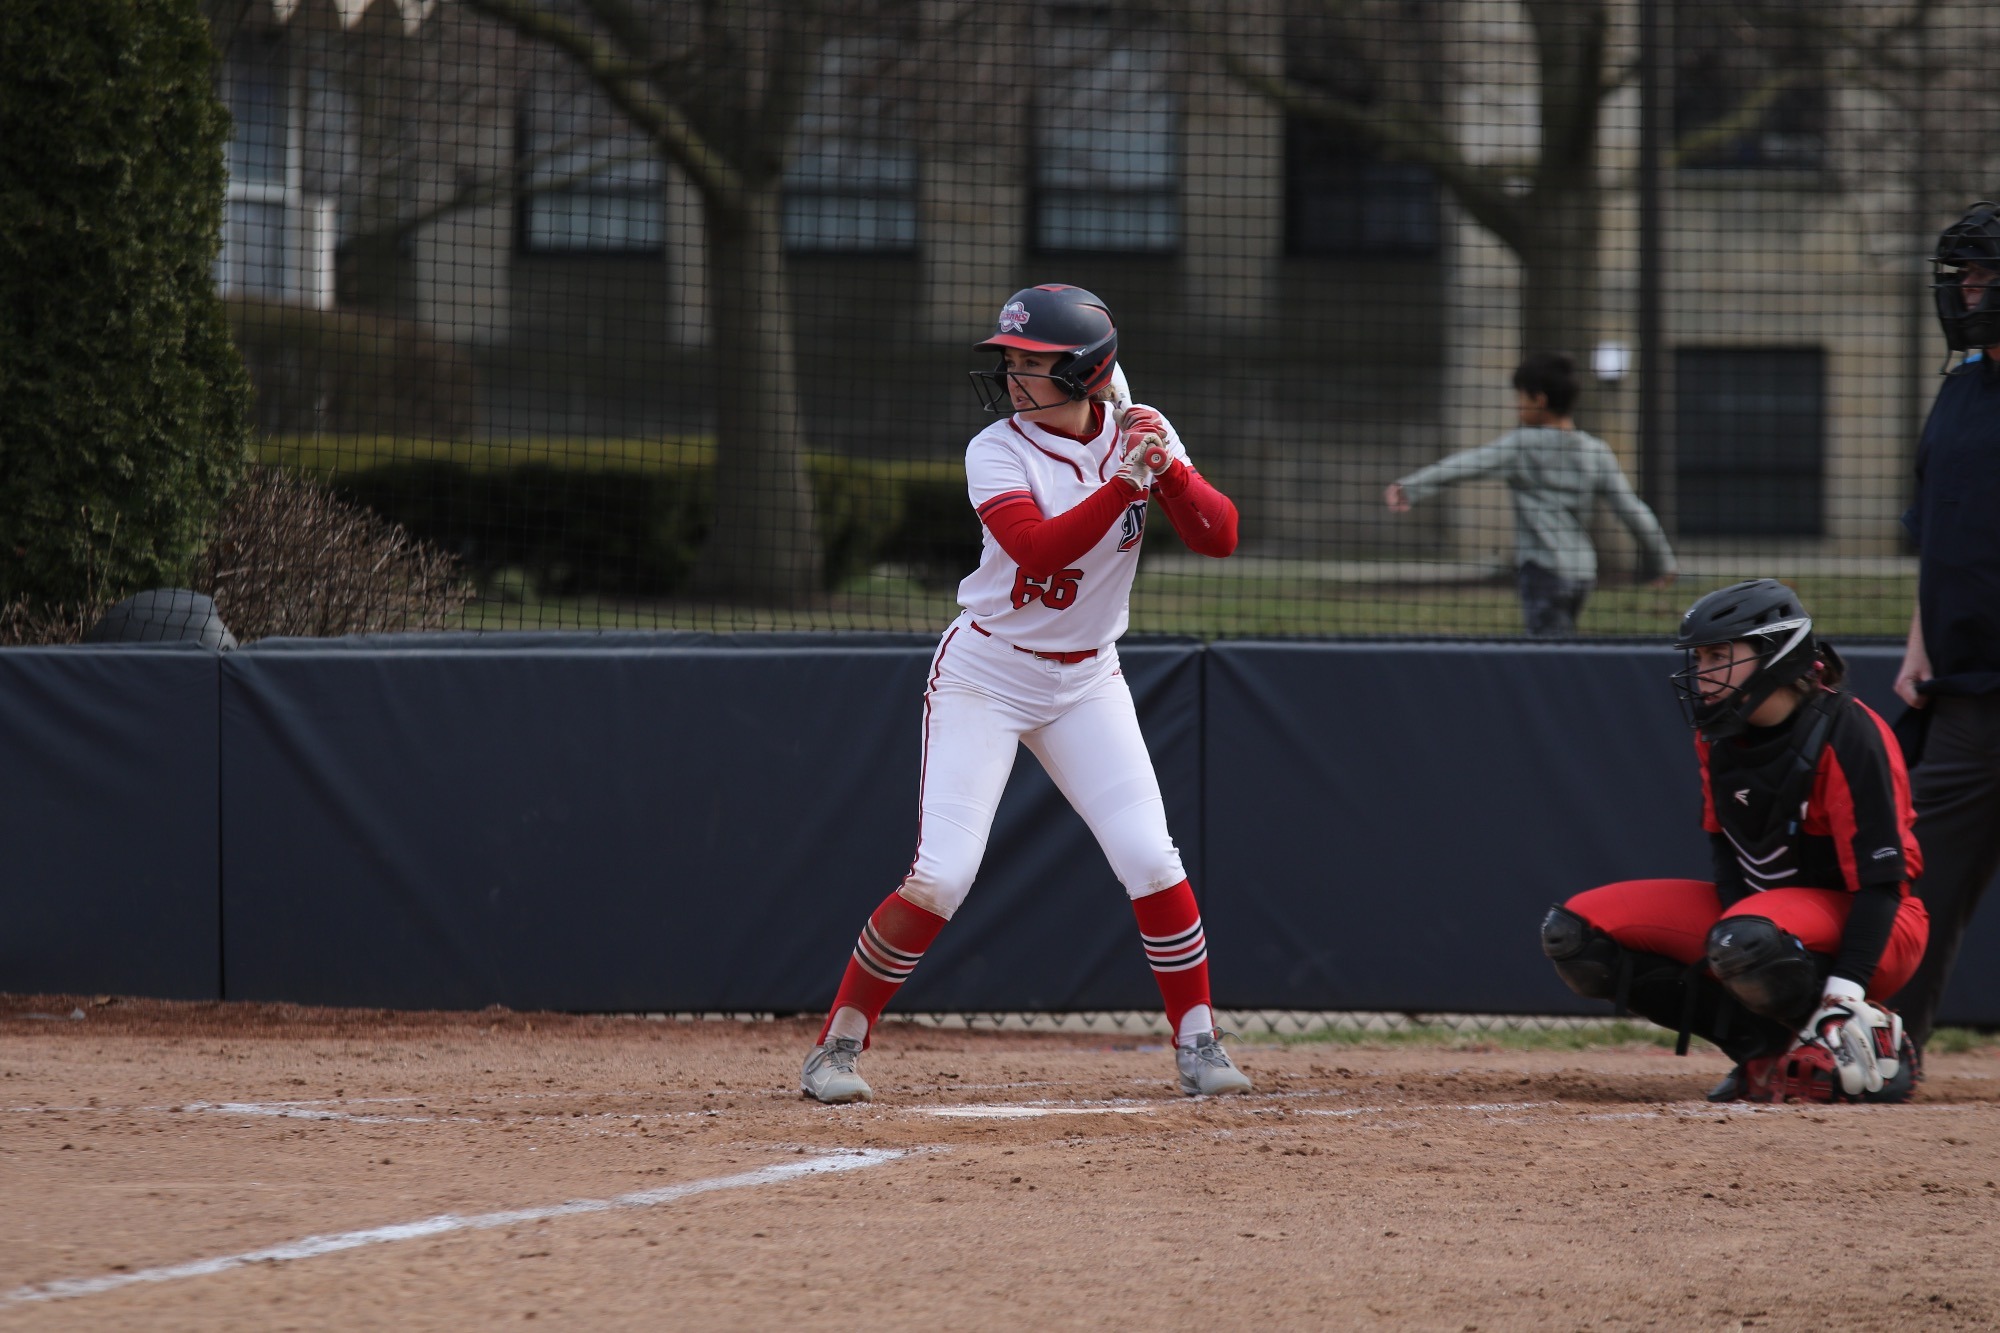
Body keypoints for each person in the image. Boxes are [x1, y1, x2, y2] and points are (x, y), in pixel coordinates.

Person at [799, 284, 1251, 1104]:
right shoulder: (996, 450)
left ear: (1084, 371)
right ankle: (838, 1044)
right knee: (942, 876)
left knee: (1151, 857)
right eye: (1010, 360)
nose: (1013, 376)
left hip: (1088, 678)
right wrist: (1126, 484)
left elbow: (1219, 537)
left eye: (1032, 363)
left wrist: (1170, 470)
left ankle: (1198, 1041)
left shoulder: (1142, 429)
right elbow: (1039, 550)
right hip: (989, 672)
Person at [1540, 580, 1930, 1103]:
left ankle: (1861, 1037)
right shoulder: (1719, 733)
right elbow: (1727, 854)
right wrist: (1731, 957)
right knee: (1575, 935)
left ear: (1776, 653)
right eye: (1699, 657)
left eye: (1719, 656)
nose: (1702, 672)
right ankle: (1764, 1053)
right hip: (1762, 919)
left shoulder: (1849, 732)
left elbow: (1882, 882)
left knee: (1744, 936)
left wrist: (1844, 990)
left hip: (1881, 926)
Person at [1889, 201, 2000, 1054]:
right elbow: (1939, 533)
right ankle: (1884, 1049)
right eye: (1961, 276)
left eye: (1984, 276)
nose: (1967, 291)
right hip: (1966, 696)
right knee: (1913, 883)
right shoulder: (1961, 386)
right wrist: (1918, 646)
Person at [1384, 352, 1677, 635]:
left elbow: (1465, 465)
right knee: (1563, 646)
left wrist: (1411, 487)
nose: (1517, 406)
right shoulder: (1595, 451)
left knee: (1546, 655)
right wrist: (1663, 561)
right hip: (1582, 572)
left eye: (1520, 398)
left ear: (1539, 400)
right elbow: (1632, 510)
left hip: (1543, 572)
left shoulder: (1522, 446)